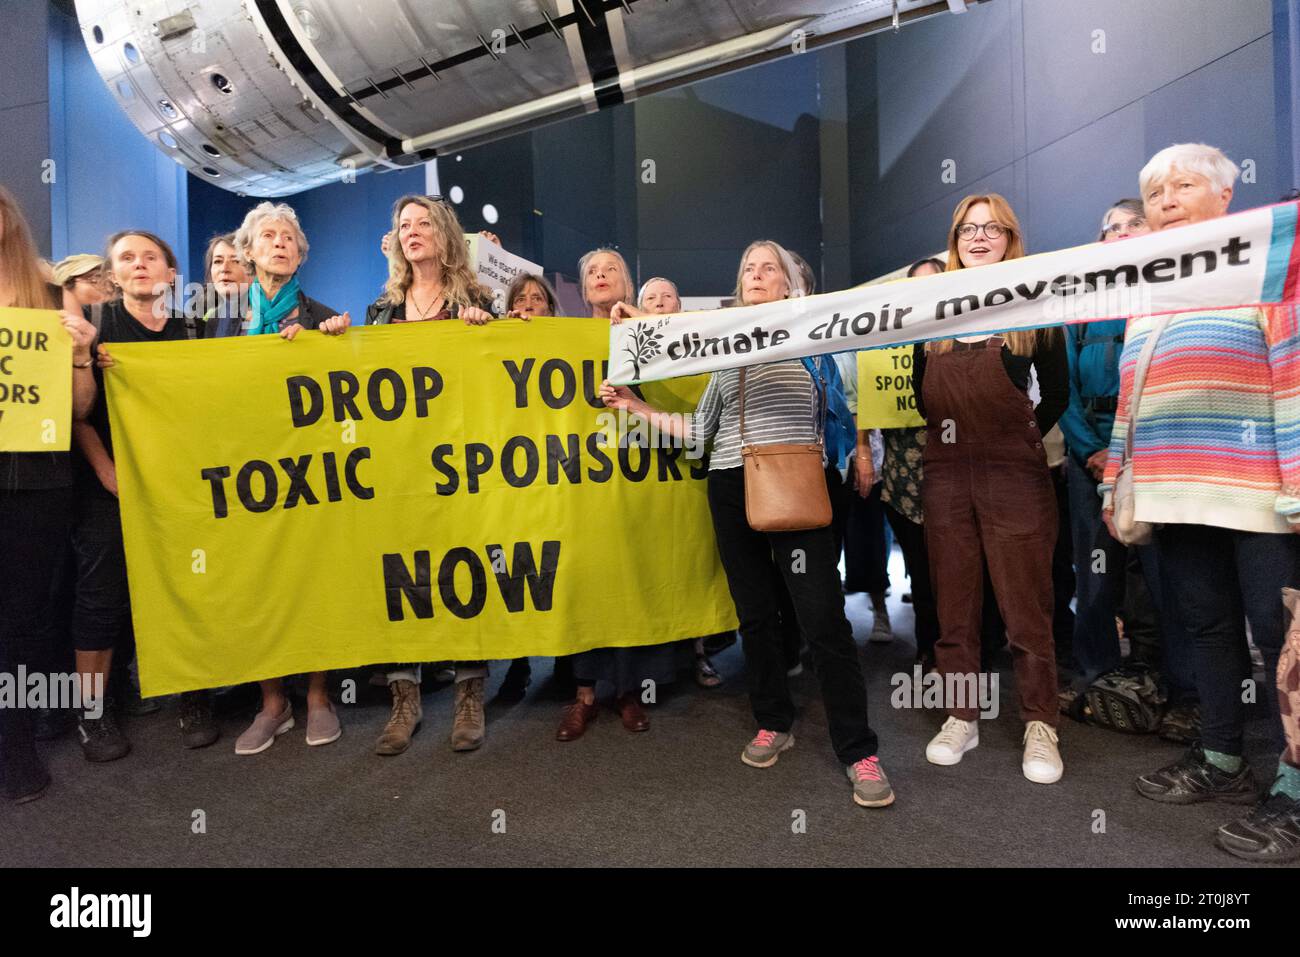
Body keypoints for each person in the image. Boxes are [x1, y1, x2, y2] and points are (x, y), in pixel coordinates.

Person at [599, 240, 893, 807]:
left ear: (791, 283)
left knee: (824, 622)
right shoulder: (725, 354)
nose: (756, 276)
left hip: (795, 485)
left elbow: (845, 407)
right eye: (748, 269)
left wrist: (859, 452)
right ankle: (772, 720)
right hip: (731, 489)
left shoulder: (815, 342)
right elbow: (699, 432)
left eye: (769, 268)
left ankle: (859, 750)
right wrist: (634, 408)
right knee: (755, 618)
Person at [1099, 145, 1300, 848]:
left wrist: (1299, 481)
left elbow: (1292, 369)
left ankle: (1297, 786)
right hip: (1174, 491)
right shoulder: (1150, 292)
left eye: (1184, 185)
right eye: (1156, 192)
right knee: (1206, 628)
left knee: (1284, 644)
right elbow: (1131, 394)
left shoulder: (1267, 268)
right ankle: (1220, 755)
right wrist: (1115, 477)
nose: (1168, 200)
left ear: (1226, 194)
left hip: (1257, 495)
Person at [915, 194, 1069, 784]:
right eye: (967, 229)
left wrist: (1023, 437)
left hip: (1013, 472)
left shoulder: (1037, 308)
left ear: (1010, 238)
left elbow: (1056, 392)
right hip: (946, 471)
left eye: (992, 228)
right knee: (953, 607)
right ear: (954, 240)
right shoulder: (927, 313)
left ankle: (1040, 723)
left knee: (1027, 606)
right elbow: (917, 387)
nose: (979, 237)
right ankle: (961, 716)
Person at [208, 202, 351, 754]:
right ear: (247, 252)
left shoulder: (323, 317)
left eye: (289, 237)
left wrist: (337, 344)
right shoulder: (211, 320)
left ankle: (318, 695)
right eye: (267, 236)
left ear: (301, 253)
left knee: (310, 578)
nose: (279, 244)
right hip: (240, 474)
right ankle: (273, 703)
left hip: (305, 475)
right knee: (256, 582)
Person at [1058, 199, 1196, 739]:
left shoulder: (1173, 294)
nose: (1119, 234)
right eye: (1108, 228)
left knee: (1166, 574)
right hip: (1087, 457)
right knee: (1094, 574)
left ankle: (1179, 685)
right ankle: (1095, 673)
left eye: (1131, 224)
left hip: (1154, 452)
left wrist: (1130, 452)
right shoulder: (1079, 305)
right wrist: (1093, 452)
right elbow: (1060, 388)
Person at [364, 194, 495, 757]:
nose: (412, 231)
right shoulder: (380, 310)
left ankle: (469, 692)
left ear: (444, 235)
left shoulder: (477, 298)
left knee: (463, 568)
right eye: (403, 225)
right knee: (401, 571)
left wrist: (487, 332)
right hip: (399, 464)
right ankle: (406, 696)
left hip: (460, 463)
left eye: (423, 224)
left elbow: (500, 375)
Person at [70, 230, 195, 762]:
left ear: (170, 273)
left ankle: (193, 695)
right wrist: (106, 470)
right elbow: (77, 416)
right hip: (110, 485)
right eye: (126, 258)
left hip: (180, 487)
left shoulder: (194, 330)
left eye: (151, 257)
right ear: (112, 276)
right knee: (102, 596)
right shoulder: (95, 329)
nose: (139, 265)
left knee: (186, 589)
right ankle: (92, 714)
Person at [553, 247, 676, 739]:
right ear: (583, 289)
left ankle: (629, 692)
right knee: (586, 578)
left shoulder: (655, 334)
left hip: (642, 470)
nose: (601, 276)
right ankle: (583, 695)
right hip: (582, 478)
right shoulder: (557, 340)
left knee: (632, 574)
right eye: (592, 273)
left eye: (611, 270)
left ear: (628, 284)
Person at [0, 185, 97, 800]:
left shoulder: (46, 291)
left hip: (37, 479)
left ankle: (14, 744)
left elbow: (79, 408)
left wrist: (82, 353)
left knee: (25, 620)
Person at [635, 274, 726, 689]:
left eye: (666, 296)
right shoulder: (624, 346)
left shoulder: (703, 339)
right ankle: (654, 662)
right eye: (649, 297)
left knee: (694, 563)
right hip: (646, 473)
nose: (658, 302)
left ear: (679, 305)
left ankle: (699, 652)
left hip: (695, 468)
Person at [864, 257, 943, 672]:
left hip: (954, 470)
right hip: (904, 477)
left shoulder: (961, 334)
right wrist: (862, 451)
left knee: (957, 571)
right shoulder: (888, 339)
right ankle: (930, 649)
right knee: (922, 571)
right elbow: (868, 398)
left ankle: (967, 649)